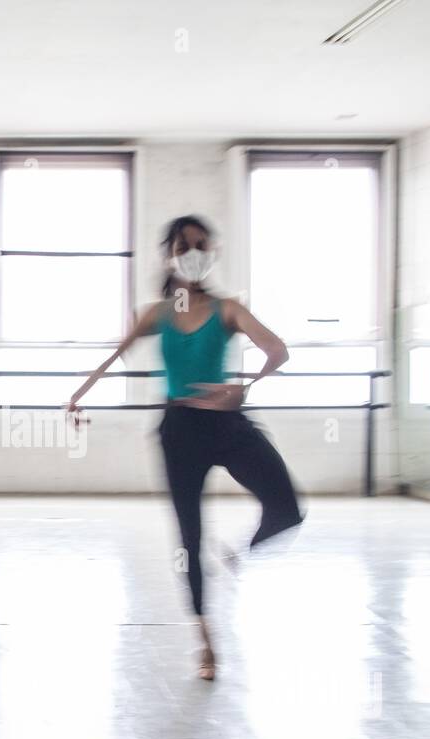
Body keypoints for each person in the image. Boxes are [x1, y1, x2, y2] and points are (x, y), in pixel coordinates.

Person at [66, 214, 304, 680]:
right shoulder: (156, 314)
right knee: (189, 540)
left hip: (228, 423)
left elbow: (278, 349)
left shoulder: (228, 309)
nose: (193, 254)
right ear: (170, 255)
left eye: (201, 245)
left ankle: (238, 553)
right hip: (180, 432)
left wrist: (246, 385)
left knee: (288, 508)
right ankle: (206, 643)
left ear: (211, 252)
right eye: (184, 246)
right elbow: (114, 356)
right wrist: (78, 396)